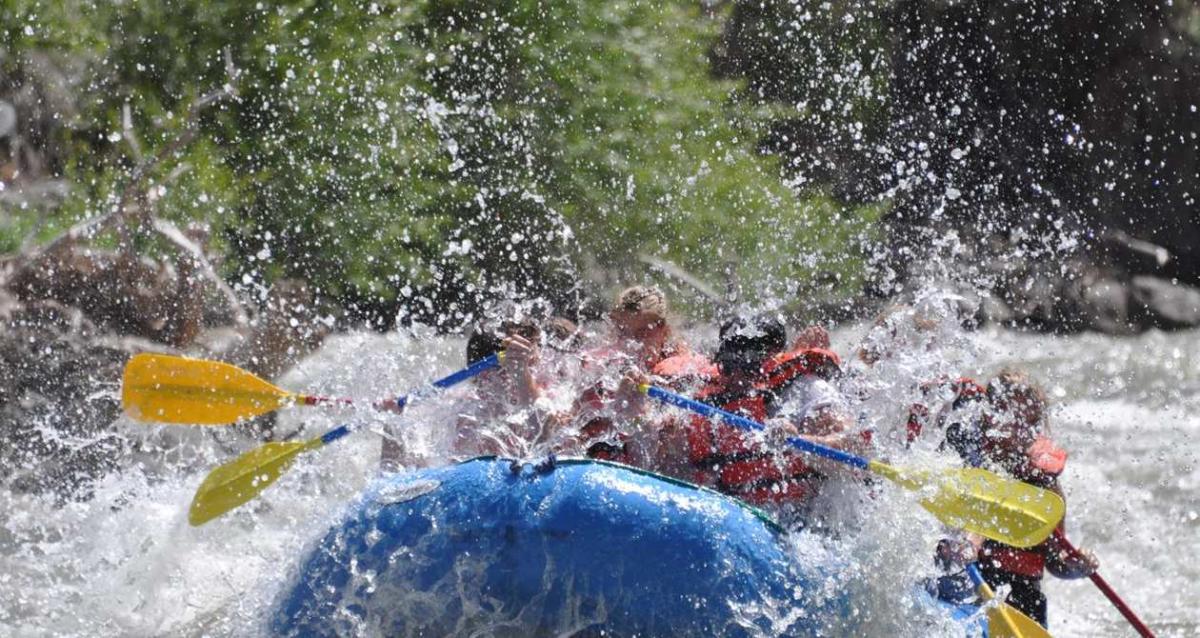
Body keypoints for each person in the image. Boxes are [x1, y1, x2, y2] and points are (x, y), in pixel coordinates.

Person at [936, 369, 1099, 627]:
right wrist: (959, 545)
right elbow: (948, 526)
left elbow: (1055, 563)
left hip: (1021, 599)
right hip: (967, 584)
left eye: (1031, 422)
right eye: (1012, 417)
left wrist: (1077, 566)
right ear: (990, 416)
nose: (1022, 430)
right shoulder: (966, 461)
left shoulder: (1045, 487)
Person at [680, 315, 858, 517]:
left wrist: (797, 442)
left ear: (775, 360)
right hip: (738, 515)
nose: (737, 378)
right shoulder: (706, 402)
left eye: (749, 365)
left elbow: (856, 450)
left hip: (808, 520)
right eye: (729, 365)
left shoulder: (808, 390)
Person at [379, 320, 556, 470]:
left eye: (530, 368)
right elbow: (401, 477)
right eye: (528, 367)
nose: (536, 377)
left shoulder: (552, 401)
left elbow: (543, 443)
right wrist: (393, 424)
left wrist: (521, 375)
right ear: (485, 376)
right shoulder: (457, 413)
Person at [570, 286, 715, 466]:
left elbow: (677, 460)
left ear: (663, 330)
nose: (632, 343)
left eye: (642, 334)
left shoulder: (681, 379)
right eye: (623, 333)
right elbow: (568, 432)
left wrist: (638, 417)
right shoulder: (600, 374)